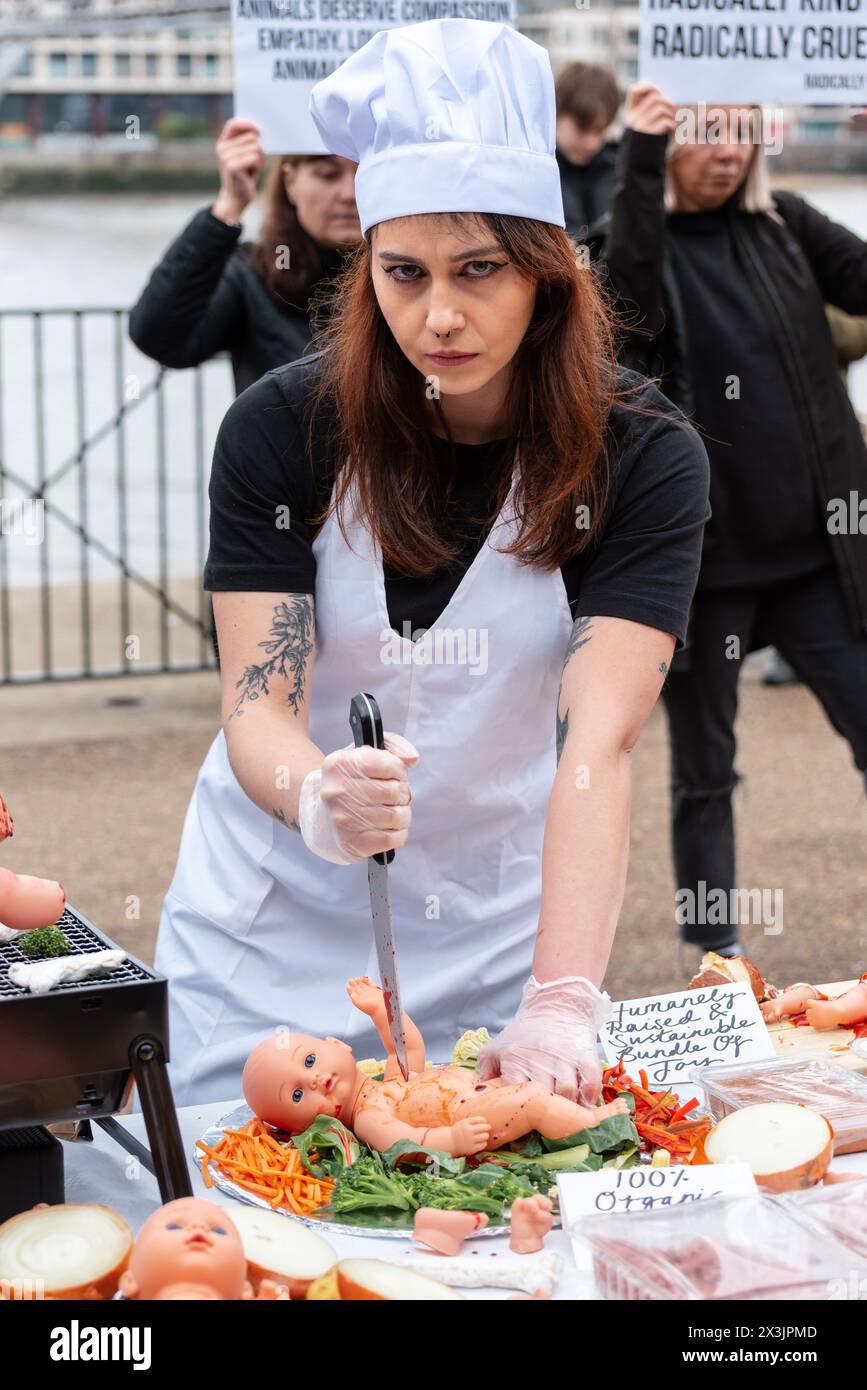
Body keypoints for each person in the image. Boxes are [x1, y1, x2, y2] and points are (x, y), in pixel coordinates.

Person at [152, 21, 709, 1110]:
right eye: (403, 274)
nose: (438, 315)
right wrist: (316, 789)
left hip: (493, 937)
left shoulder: (641, 456)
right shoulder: (286, 429)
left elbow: (602, 739)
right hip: (264, 933)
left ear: (547, 278)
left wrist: (560, 992)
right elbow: (258, 705)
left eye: (480, 271)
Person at [589, 83, 867, 964]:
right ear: (668, 144)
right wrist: (635, 152)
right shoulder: (631, 242)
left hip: (815, 559)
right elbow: (622, 312)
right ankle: (716, 953)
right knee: (706, 772)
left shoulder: (781, 222)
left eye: (741, 136)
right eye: (706, 137)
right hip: (704, 570)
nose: (725, 153)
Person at [128, 117, 361, 395]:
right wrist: (228, 205)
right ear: (290, 182)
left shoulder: (415, 275)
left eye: (364, 173)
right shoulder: (251, 274)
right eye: (327, 174)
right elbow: (160, 337)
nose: (349, 193)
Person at [555, 62, 621, 245]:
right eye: (582, 129)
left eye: (600, 131)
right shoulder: (535, 174)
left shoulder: (619, 172)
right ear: (556, 112)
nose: (592, 143)